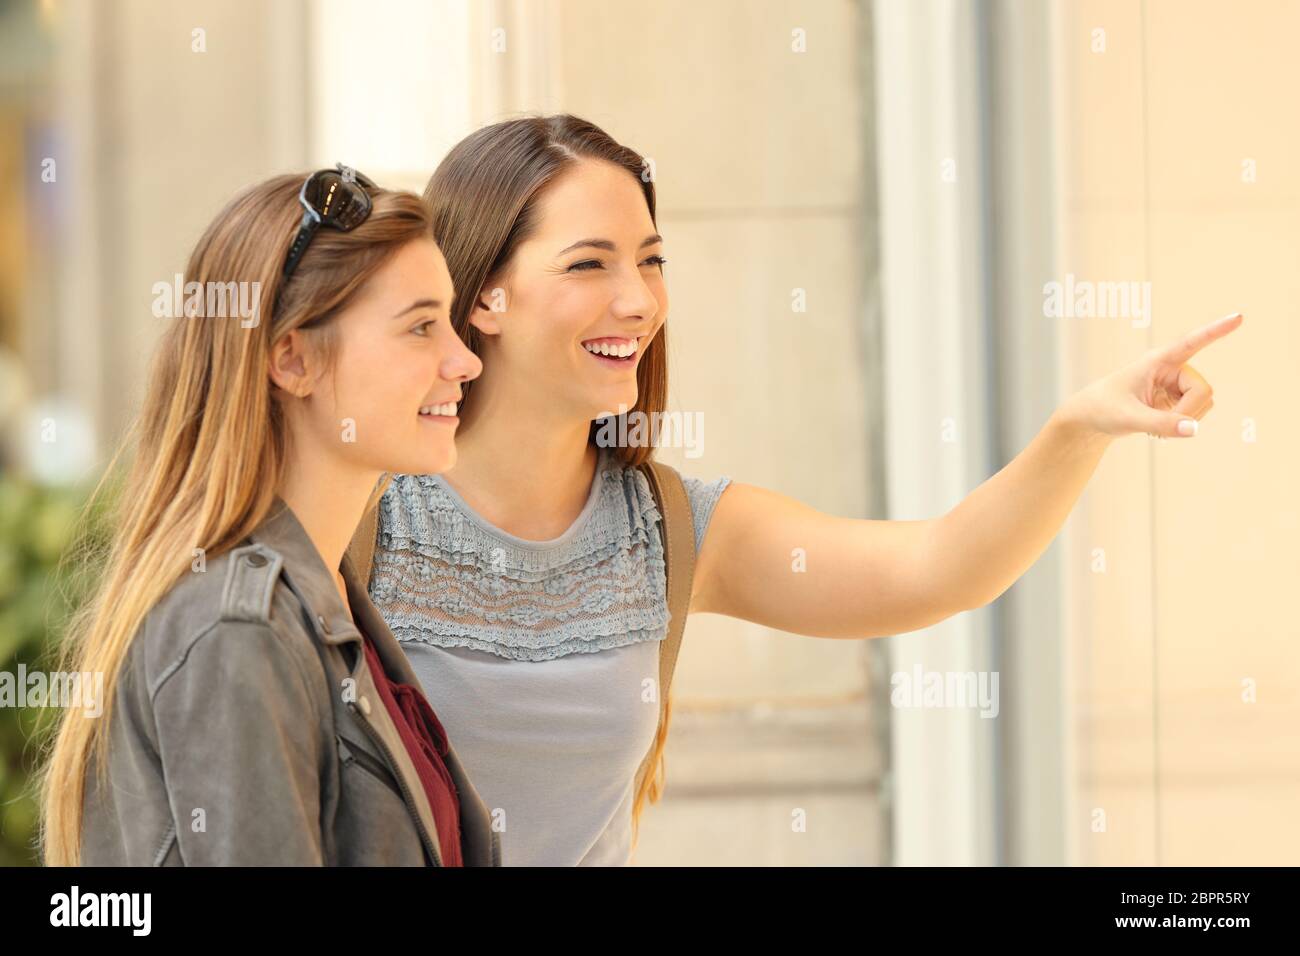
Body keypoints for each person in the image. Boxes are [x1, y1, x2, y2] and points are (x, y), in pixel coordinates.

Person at [39, 165, 496, 866]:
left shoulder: (323, 598)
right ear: (293, 359)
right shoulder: (239, 629)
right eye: (421, 327)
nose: (463, 360)